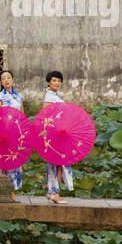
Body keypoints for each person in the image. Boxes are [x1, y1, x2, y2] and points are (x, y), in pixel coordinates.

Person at [43, 70, 75, 203]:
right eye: (54, 80)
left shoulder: (57, 96)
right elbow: (46, 116)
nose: (57, 83)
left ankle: (53, 192)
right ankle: (53, 193)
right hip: (54, 134)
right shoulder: (49, 97)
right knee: (56, 163)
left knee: (58, 163)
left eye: (59, 80)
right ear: (48, 82)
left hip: (61, 133)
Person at [0, 70, 24, 200]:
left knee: (16, 161)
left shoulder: (19, 96)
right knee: (4, 160)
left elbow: (22, 115)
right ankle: (5, 191)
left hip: (16, 132)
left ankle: (13, 189)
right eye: (3, 78)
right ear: (1, 82)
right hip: (3, 132)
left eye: (8, 77)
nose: (6, 80)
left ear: (13, 80)